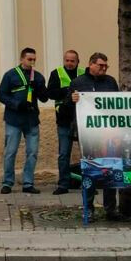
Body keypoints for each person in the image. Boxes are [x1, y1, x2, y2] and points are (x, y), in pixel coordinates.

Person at [70, 52, 125, 221]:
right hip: (88, 135)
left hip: (108, 135)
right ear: (91, 64)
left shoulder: (110, 82)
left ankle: (110, 208)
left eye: (105, 66)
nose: (103, 69)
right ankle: (89, 208)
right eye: (101, 65)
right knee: (90, 170)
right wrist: (72, 99)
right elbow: (66, 107)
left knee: (111, 170)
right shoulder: (78, 82)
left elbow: (117, 104)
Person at [0, 47, 47, 194]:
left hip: (31, 120)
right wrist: (17, 104)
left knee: (32, 152)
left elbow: (44, 98)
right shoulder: (10, 75)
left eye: (34, 60)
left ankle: (28, 182)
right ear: (22, 59)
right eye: (29, 59)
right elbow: (1, 95)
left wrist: (40, 89)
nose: (32, 62)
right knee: (10, 152)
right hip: (14, 119)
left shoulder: (37, 76)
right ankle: (7, 182)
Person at [46, 50, 83, 195]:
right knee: (63, 153)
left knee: (85, 153)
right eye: (67, 60)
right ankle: (63, 184)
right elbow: (51, 93)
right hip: (64, 119)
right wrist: (68, 91)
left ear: (77, 61)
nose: (69, 63)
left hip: (81, 118)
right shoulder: (56, 73)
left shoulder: (83, 72)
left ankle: (88, 182)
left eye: (72, 61)